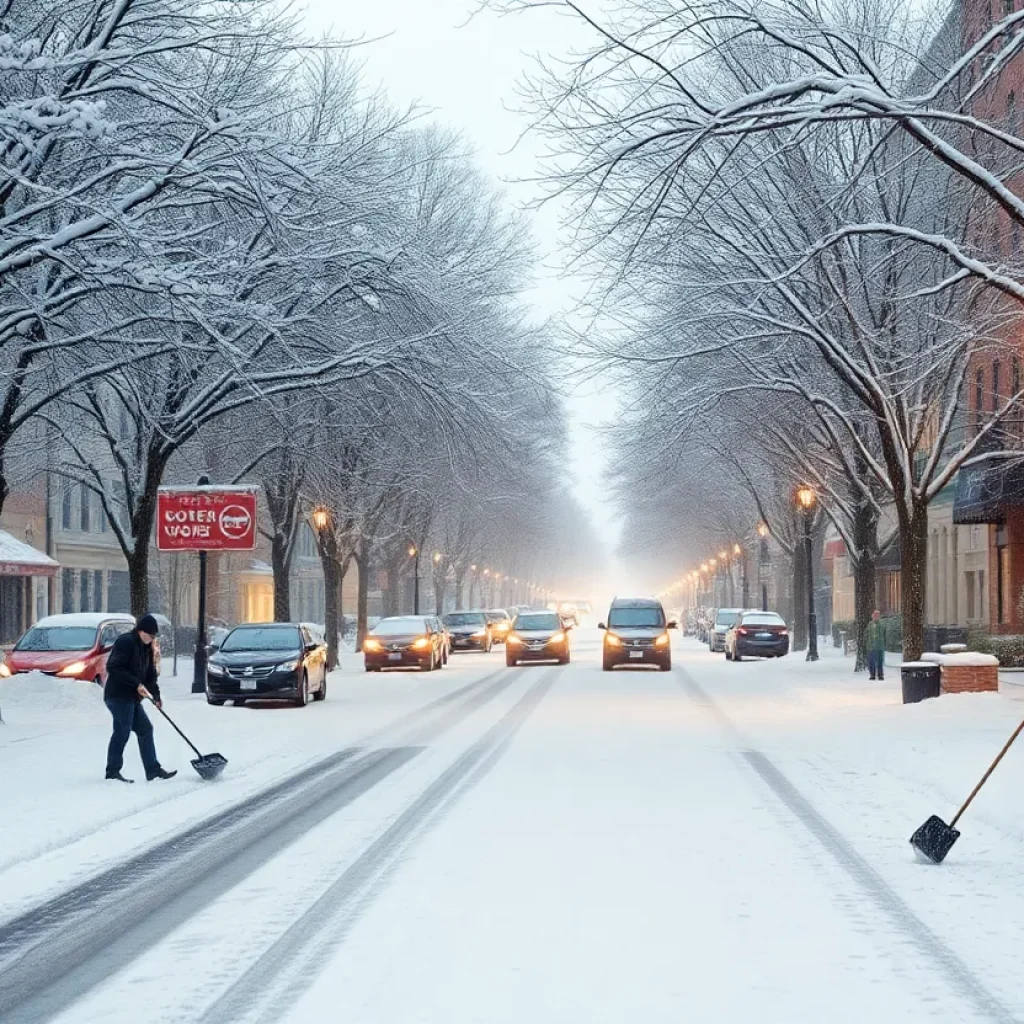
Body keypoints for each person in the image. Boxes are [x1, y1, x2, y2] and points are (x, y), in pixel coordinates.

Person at [103, 614, 176, 783]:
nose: (152, 639)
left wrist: (156, 696)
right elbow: (114, 667)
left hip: (132, 698)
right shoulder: (125, 642)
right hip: (117, 696)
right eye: (150, 636)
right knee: (122, 731)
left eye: (153, 637)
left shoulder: (146, 648)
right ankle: (112, 772)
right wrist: (135, 683)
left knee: (145, 729)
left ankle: (153, 771)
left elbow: (150, 676)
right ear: (141, 631)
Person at [864, 610, 887, 681]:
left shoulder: (881, 624)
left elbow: (884, 634)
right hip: (871, 646)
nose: (876, 617)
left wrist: (882, 642)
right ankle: (872, 675)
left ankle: (880, 675)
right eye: (874, 615)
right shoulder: (870, 624)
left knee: (880, 661)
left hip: (879, 646)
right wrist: (868, 641)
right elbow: (866, 633)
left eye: (877, 615)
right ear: (872, 616)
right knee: (871, 661)